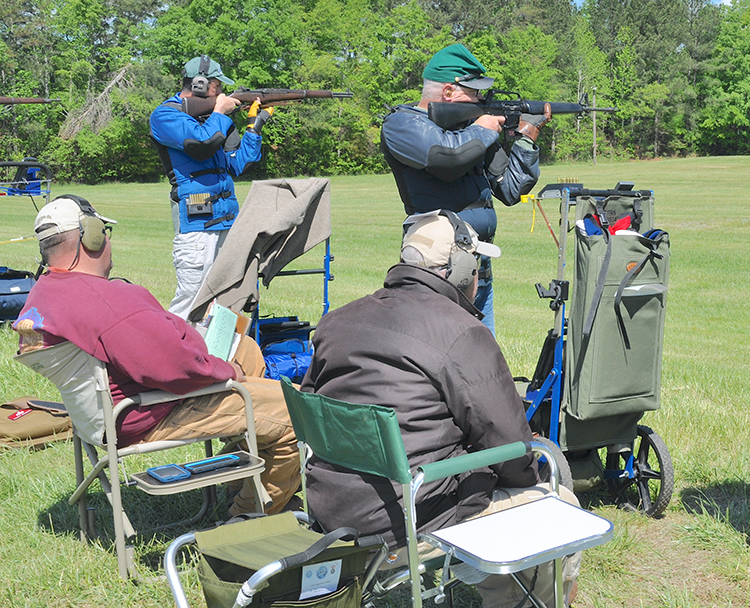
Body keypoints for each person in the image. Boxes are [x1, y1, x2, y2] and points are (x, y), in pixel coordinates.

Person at [302, 210, 580, 608]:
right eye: (478, 264)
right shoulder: (463, 332)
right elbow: (512, 449)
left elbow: (313, 411)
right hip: (407, 523)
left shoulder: (336, 321)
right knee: (559, 506)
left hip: (331, 510)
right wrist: (531, 477)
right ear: (463, 269)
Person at [13, 195, 300, 515]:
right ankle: (249, 516)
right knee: (296, 411)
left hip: (102, 415)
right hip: (148, 411)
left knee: (246, 349)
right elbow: (179, 368)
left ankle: (246, 474)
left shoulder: (43, 292)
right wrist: (229, 372)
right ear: (90, 235)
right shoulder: (106, 300)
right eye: (105, 230)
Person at [380, 43, 547, 333]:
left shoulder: (470, 131)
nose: (481, 99)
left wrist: (526, 139)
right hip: (437, 267)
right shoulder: (402, 124)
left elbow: (510, 190)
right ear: (448, 93)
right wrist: (483, 129)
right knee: (438, 356)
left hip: (478, 265)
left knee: (480, 355)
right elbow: (447, 157)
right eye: (475, 93)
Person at [150, 55, 272, 318]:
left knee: (225, 301)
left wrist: (254, 128)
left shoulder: (214, 119)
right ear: (200, 85)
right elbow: (203, 145)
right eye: (217, 86)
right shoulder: (165, 116)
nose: (222, 93)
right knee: (191, 300)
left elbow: (239, 165)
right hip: (197, 225)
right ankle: (173, 355)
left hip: (227, 222)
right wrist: (220, 112)